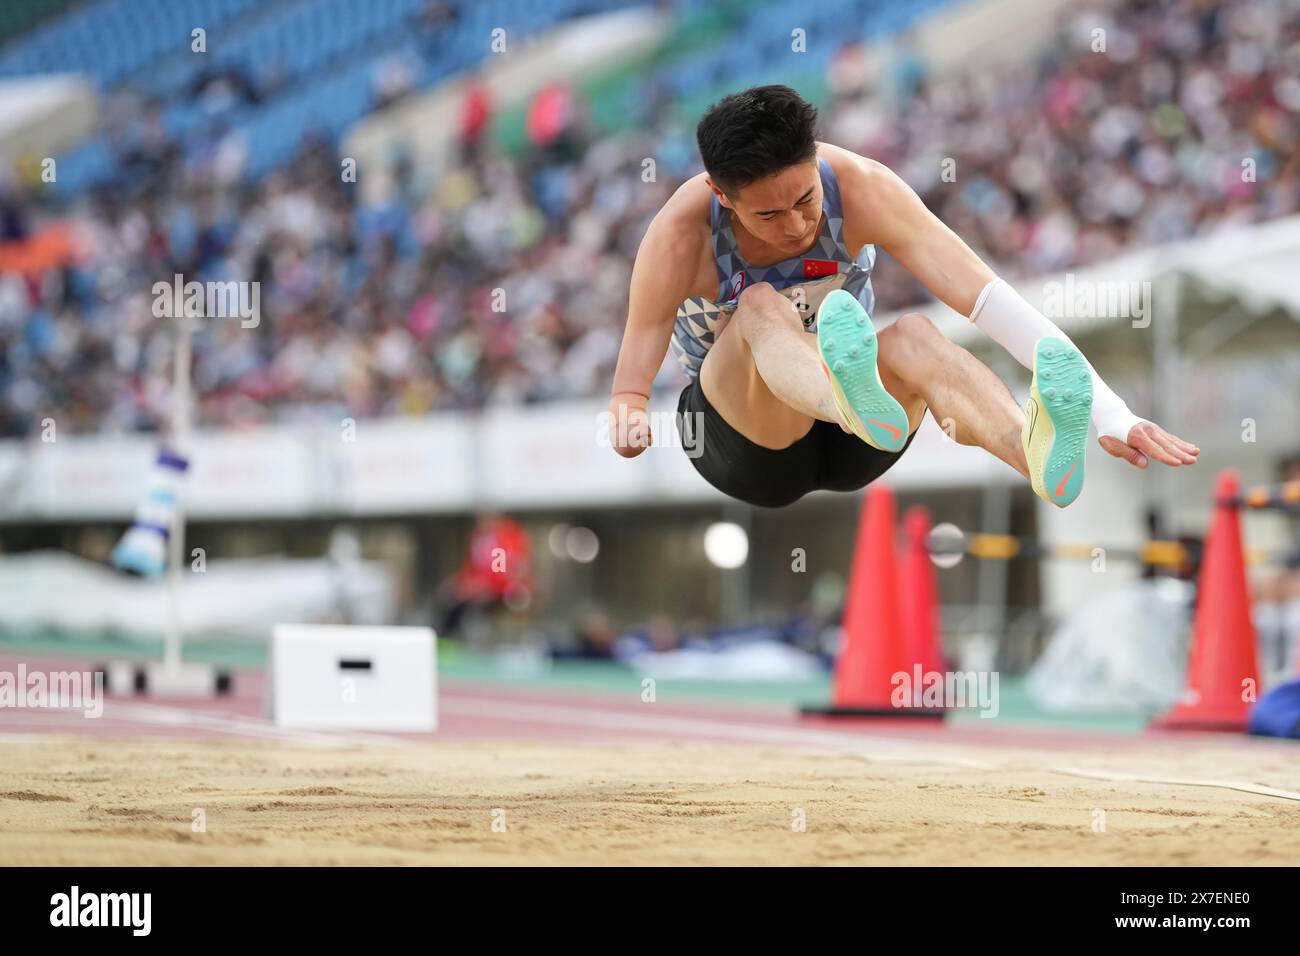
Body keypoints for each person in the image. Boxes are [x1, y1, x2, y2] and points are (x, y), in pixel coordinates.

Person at [607, 86, 1198, 509]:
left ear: (816, 160)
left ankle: (1034, 456)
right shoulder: (680, 236)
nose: (795, 226)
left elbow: (989, 300)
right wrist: (629, 423)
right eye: (768, 213)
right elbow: (631, 390)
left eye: (806, 200)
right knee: (761, 305)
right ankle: (847, 398)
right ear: (721, 194)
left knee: (917, 334)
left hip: (869, 439)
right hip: (748, 446)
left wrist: (1113, 415)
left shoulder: (863, 188)